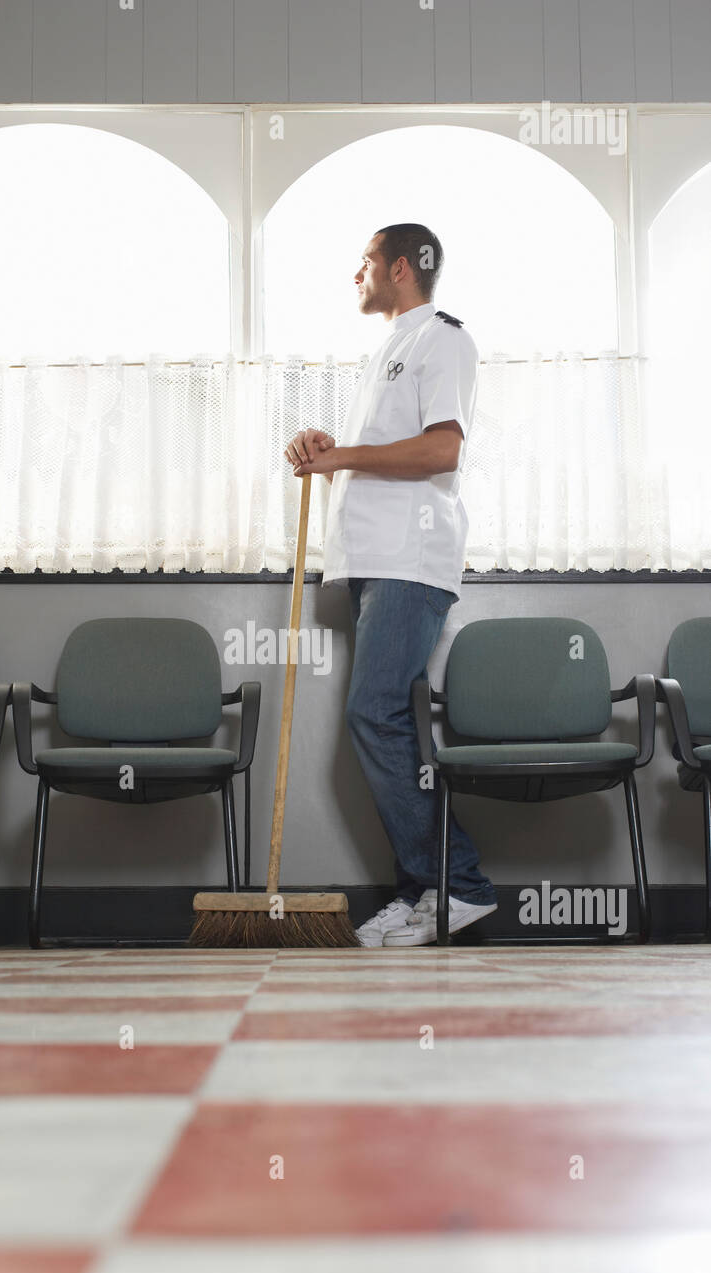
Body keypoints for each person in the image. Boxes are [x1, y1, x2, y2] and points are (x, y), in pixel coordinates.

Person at [284, 223, 496, 947]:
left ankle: (459, 884)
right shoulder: (388, 352)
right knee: (387, 719)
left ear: (401, 267)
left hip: (411, 559)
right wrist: (327, 452)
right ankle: (423, 892)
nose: (357, 275)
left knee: (373, 715)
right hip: (374, 562)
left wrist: (343, 455)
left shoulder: (443, 339)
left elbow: (442, 451)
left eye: (366, 262)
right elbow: (378, 459)